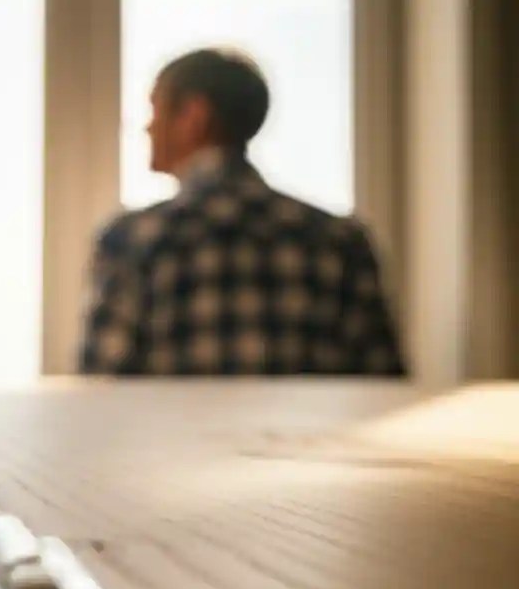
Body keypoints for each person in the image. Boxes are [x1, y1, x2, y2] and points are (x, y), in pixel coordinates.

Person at [80, 49, 405, 376]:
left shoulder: (133, 240)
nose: (147, 128)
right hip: (306, 429)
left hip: (171, 429)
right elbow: (382, 382)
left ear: (194, 115)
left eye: (156, 109)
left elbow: (101, 385)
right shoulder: (341, 240)